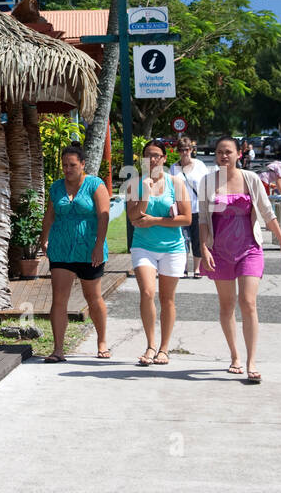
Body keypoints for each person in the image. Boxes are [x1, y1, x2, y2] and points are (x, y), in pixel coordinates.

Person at [199, 136, 281, 382]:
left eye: (228, 151)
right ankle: (235, 356)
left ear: (239, 154)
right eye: (219, 152)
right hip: (219, 250)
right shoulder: (208, 182)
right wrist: (203, 248)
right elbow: (204, 220)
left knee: (248, 302)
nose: (223, 156)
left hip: (249, 248)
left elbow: (267, 212)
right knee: (227, 305)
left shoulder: (251, 180)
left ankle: (251, 361)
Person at [38, 143, 111, 363]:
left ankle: (102, 342)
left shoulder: (95, 185)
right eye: (64, 165)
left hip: (89, 249)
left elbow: (103, 216)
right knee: (59, 298)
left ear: (82, 164)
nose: (67, 169)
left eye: (72, 165)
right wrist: (44, 238)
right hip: (61, 249)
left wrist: (98, 245)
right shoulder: (57, 187)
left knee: (93, 297)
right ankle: (58, 349)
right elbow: (50, 215)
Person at [126, 140, 192, 366]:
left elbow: (186, 219)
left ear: (164, 158)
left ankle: (164, 348)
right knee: (146, 292)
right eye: (148, 155)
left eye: (156, 155)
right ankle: (151, 345)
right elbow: (134, 218)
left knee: (167, 299)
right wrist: (144, 192)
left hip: (172, 248)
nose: (152, 159)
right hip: (143, 246)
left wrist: (154, 221)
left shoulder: (176, 184)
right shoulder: (135, 184)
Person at [169, 137, 208, 278]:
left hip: (198, 208)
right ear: (178, 151)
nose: (184, 153)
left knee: (197, 240)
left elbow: (206, 185)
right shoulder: (174, 168)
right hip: (181, 210)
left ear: (191, 150)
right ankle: (183, 269)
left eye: (187, 149)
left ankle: (197, 269)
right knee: (183, 240)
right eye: (181, 150)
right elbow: (171, 188)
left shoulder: (200, 166)